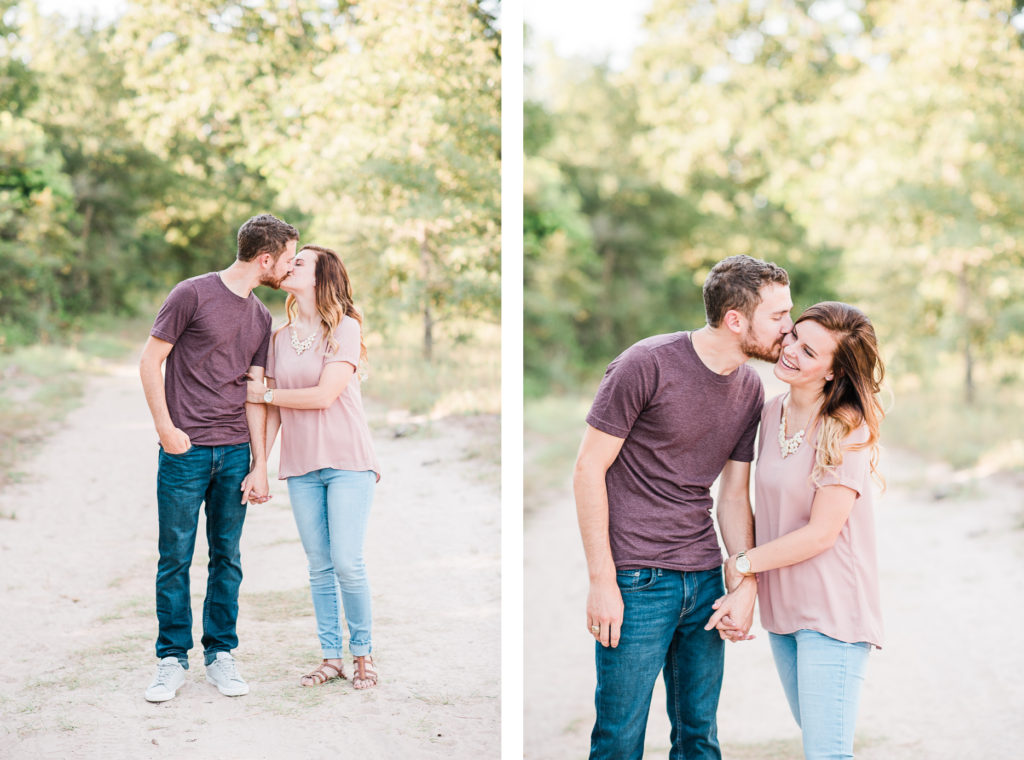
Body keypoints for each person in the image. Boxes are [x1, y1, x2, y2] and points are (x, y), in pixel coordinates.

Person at [573, 254, 793, 760]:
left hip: (704, 581)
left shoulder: (750, 388)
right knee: (618, 740)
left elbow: (733, 496)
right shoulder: (645, 364)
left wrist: (745, 584)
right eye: (778, 315)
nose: (789, 326)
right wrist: (602, 581)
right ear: (736, 320)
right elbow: (588, 470)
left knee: (699, 739)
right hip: (637, 580)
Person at [708, 302, 885, 760]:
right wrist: (750, 580)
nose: (789, 350)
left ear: (833, 372)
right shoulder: (770, 413)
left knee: (827, 753)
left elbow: (821, 533)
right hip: (783, 611)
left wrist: (741, 564)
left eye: (809, 352)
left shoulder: (846, 429)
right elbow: (737, 497)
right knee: (820, 741)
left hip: (832, 611)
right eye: (794, 337)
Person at [139, 213, 298, 703]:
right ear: (265, 259)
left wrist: (259, 463)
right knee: (175, 557)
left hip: (233, 454)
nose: (290, 269)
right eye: (288, 259)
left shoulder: (262, 319)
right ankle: (171, 659)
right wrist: (165, 430)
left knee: (227, 557)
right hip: (184, 453)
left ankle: (220, 654)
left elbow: (254, 394)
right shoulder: (191, 294)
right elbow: (150, 361)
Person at [245, 244, 381, 690]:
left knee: (347, 562)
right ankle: (331, 658)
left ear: (321, 278)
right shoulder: (278, 339)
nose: (289, 265)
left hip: (347, 461)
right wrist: (260, 465)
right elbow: (273, 412)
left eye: (299, 262)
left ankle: (363, 654)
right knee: (319, 566)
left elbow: (323, 395)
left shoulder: (344, 328)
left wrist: (265, 393)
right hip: (301, 464)